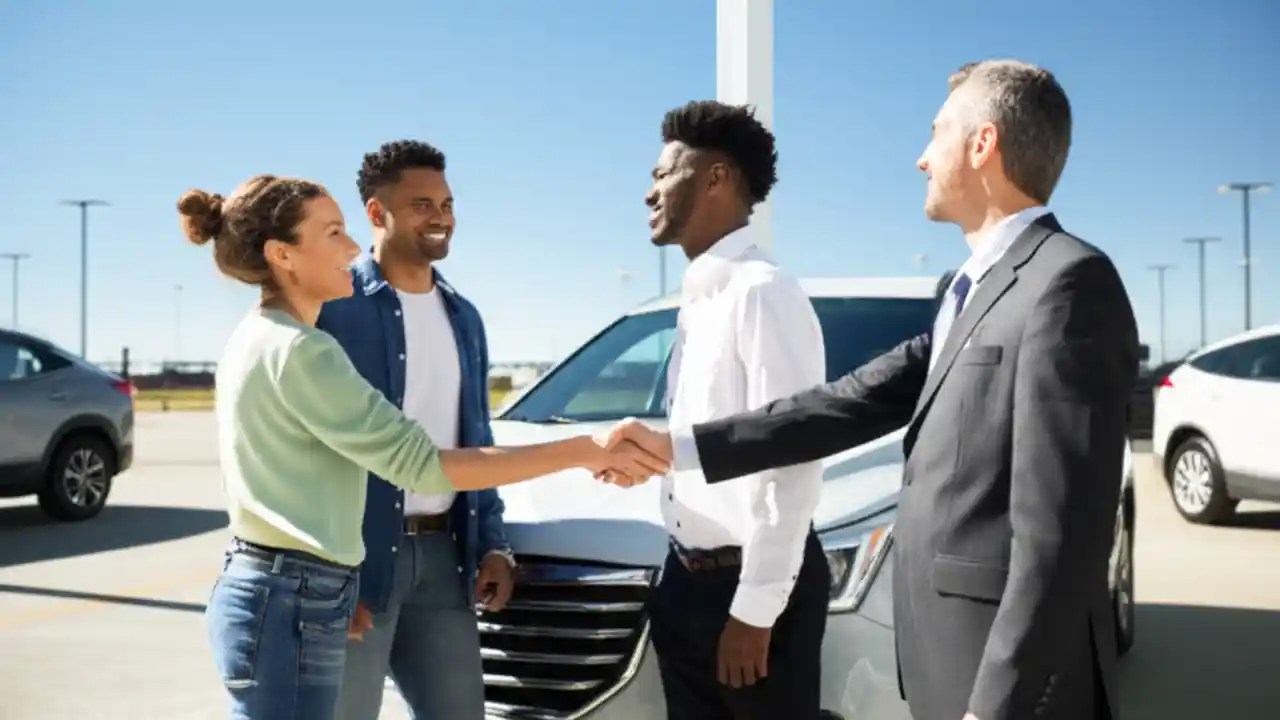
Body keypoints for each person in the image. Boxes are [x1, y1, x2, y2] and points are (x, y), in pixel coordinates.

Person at [607, 60, 1139, 720]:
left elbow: (1060, 540)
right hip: (947, 662)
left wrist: (993, 709)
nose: (920, 159)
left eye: (936, 132)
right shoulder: (966, 291)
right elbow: (842, 405)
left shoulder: (1068, 282)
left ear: (983, 144)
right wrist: (676, 448)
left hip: (1013, 690)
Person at [179, 175, 666, 720]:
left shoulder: (257, 336)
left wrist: (337, 588)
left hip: (288, 589)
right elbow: (424, 466)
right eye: (333, 232)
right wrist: (586, 449)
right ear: (282, 254)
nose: (350, 247)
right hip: (290, 599)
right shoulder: (304, 353)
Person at [640, 100, 830, 719]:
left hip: (749, 594)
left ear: (716, 178)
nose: (650, 192)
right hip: (686, 586)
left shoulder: (762, 292)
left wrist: (754, 610)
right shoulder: (699, 299)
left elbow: (793, 457)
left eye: (663, 174)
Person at [315, 140, 513, 720]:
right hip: (355, 560)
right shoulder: (332, 307)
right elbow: (310, 447)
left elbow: (477, 438)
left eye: (447, 203)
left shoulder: (464, 317)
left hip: (446, 559)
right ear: (377, 214)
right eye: (423, 204)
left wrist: (494, 542)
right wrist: (326, 572)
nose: (442, 217)